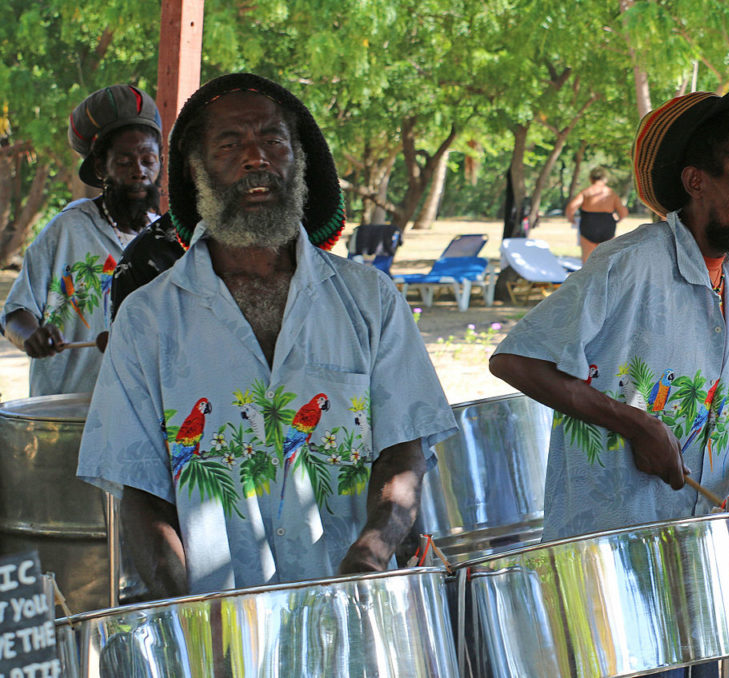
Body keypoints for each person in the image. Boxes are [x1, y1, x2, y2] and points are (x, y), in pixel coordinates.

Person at [77, 73, 457, 598]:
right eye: (230, 144)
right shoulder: (147, 319)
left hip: (361, 611)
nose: (256, 159)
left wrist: (368, 559)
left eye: (273, 141)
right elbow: (142, 493)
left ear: (297, 160)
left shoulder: (370, 299)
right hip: (223, 625)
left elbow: (403, 453)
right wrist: (184, 613)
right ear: (195, 169)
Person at [489, 87, 729, 678]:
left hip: (694, 546)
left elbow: (687, 398)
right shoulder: (628, 264)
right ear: (695, 180)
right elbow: (517, 361)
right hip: (610, 549)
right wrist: (633, 425)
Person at [1, 85, 162, 396]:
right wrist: (31, 336)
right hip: (67, 412)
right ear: (102, 168)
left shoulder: (167, 242)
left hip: (141, 413)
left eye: (148, 160)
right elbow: (14, 314)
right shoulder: (68, 229)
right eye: (125, 162)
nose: (140, 171)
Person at [565, 166, 629, 262]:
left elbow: (571, 208)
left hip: (589, 225)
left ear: (591, 178)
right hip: (607, 226)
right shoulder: (611, 193)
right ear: (605, 179)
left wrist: (571, 219)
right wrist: (619, 219)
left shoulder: (586, 192)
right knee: (607, 260)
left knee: (587, 261)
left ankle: (587, 277)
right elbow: (623, 212)